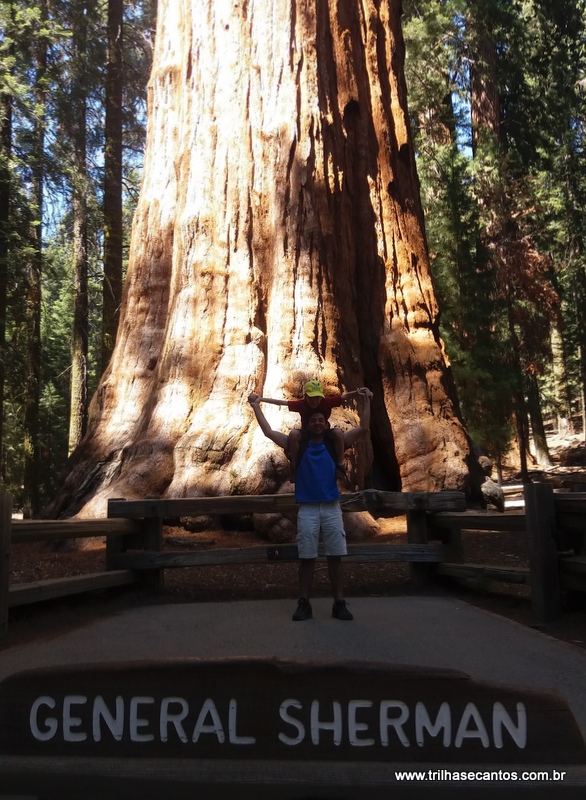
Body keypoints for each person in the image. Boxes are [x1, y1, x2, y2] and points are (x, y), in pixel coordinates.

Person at [248, 388, 372, 621]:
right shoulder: (298, 445)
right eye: (313, 420)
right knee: (306, 557)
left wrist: (366, 401)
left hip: (331, 507)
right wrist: (256, 406)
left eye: (320, 420)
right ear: (308, 424)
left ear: (326, 424)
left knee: (335, 556)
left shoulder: (336, 444)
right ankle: (304, 603)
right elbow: (268, 432)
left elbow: (363, 428)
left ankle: (339, 603)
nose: (317, 423)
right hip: (307, 508)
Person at [254, 380, 369, 479]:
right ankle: (294, 467)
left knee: (338, 432)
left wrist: (359, 395)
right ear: (306, 396)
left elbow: (362, 424)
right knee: (294, 434)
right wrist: (259, 401)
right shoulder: (301, 405)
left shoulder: (326, 403)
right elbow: (280, 405)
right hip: (306, 434)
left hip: (326, 435)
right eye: (311, 398)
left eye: (317, 398)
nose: (314, 401)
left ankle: (339, 466)